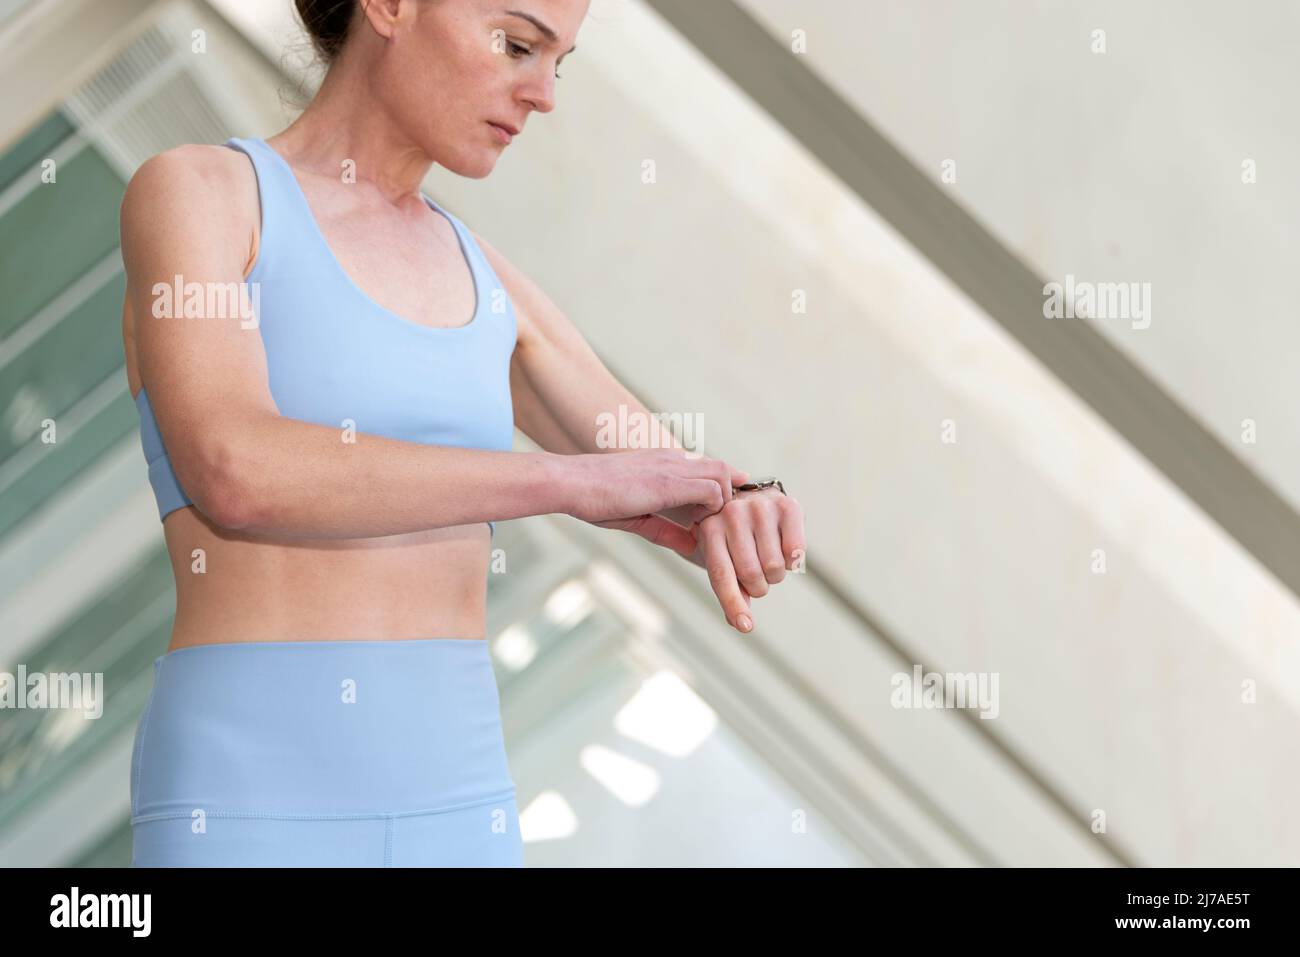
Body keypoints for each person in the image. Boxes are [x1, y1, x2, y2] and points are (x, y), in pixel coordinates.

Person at [120, 0, 805, 867]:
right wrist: (558, 483)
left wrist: (743, 499)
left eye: (561, 63)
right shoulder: (201, 196)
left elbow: (663, 471)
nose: (545, 94)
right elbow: (234, 467)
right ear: (391, 7)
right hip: (246, 801)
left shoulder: (486, 280)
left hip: (460, 809)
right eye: (518, 45)